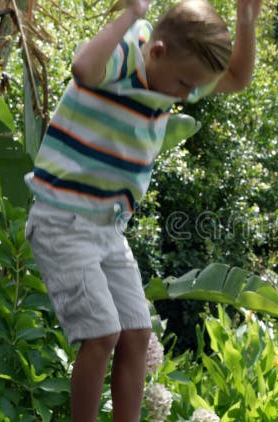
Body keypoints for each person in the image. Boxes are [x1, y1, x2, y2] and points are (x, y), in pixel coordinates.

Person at [23, 0, 262, 420]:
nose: (187, 96)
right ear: (158, 52)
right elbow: (82, 68)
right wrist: (131, 14)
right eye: (185, 84)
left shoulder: (174, 75)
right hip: (63, 221)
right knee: (102, 334)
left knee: (136, 333)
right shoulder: (124, 54)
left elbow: (239, 78)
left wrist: (246, 19)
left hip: (108, 229)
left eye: (194, 88)